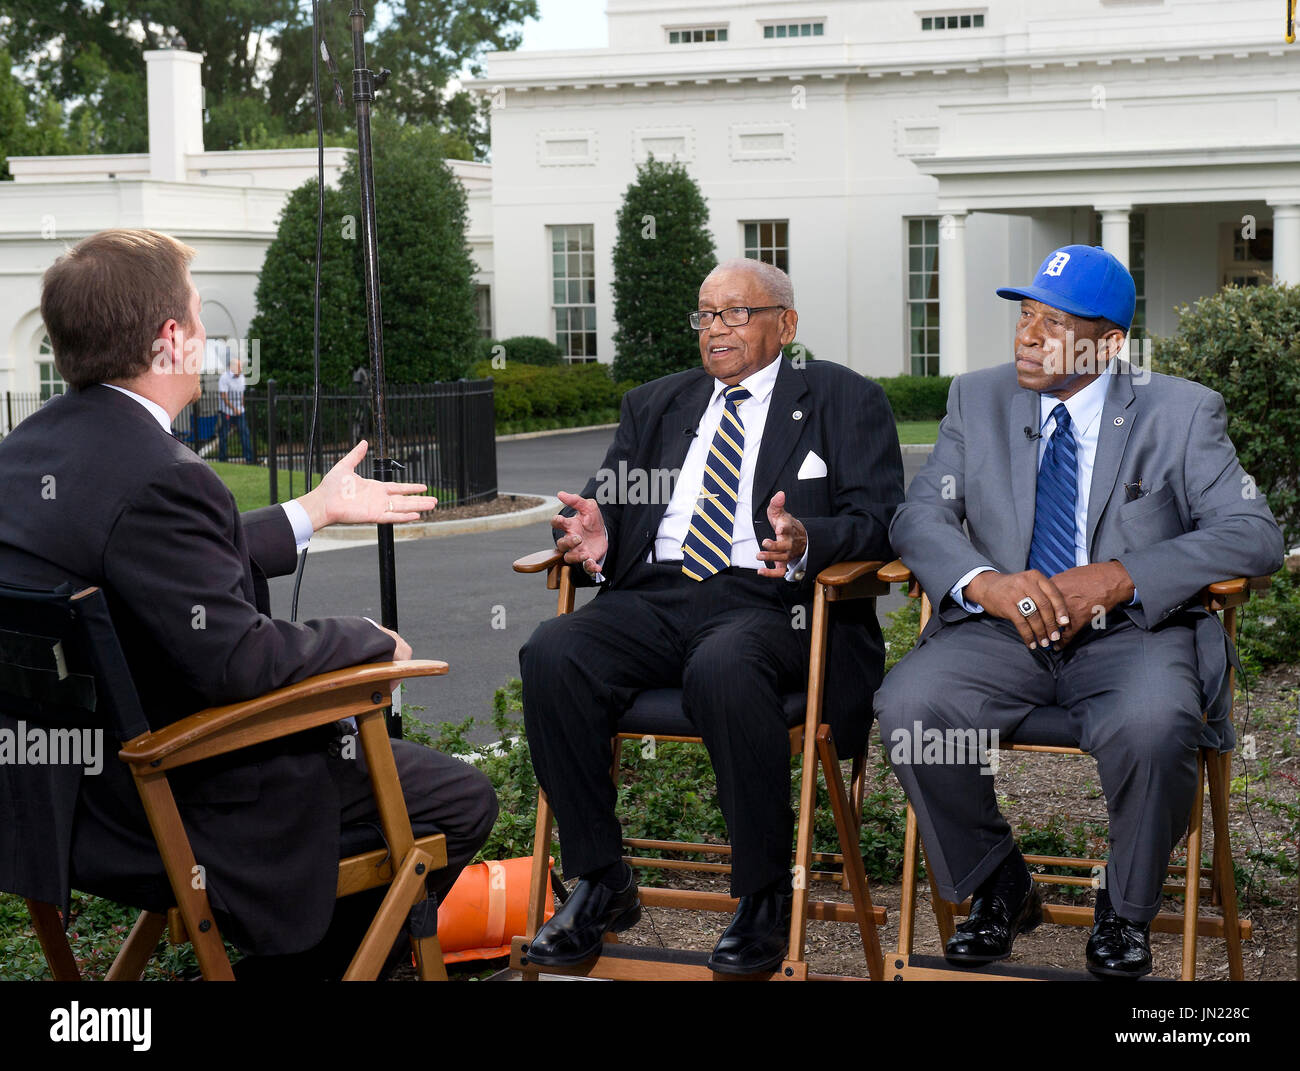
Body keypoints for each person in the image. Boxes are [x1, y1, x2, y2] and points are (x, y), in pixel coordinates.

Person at [0, 229, 498, 977]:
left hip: (55, 805)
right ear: (171, 338)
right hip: (173, 805)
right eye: (199, 318)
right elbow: (239, 659)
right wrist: (363, 638)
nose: (206, 336)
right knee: (460, 800)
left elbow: (155, 565)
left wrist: (314, 510)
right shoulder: (161, 476)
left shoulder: (26, 455)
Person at [875, 244, 1285, 978]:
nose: (1027, 335)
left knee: (1157, 722)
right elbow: (918, 516)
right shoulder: (978, 396)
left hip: (1134, 636)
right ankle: (998, 879)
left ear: (1109, 341)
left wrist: (1125, 574)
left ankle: (1124, 911)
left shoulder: (1183, 411)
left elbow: (1255, 535)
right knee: (909, 704)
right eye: (1025, 315)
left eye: (1053, 322)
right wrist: (983, 581)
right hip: (1004, 628)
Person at [519, 258, 904, 974]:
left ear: (785, 324)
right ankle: (602, 879)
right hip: (654, 596)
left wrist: (809, 541)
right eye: (705, 314)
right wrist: (593, 542)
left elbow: (881, 520)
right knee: (553, 651)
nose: (715, 328)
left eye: (735, 313)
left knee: (723, 665)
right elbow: (600, 511)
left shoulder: (842, 399)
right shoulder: (655, 405)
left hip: (773, 601)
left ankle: (764, 895)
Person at [217, 352, 254, 463]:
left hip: (239, 411)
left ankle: (249, 459)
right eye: (239, 367)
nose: (241, 369)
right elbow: (224, 396)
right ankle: (223, 459)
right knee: (224, 435)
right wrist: (234, 409)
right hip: (227, 411)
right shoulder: (224, 378)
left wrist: (242, 406)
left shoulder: (241, 377)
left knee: (245, 434)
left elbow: (241, 393)